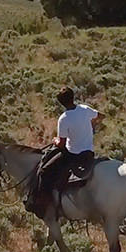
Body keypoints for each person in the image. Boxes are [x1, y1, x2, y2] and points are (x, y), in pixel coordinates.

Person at [30, 87, 99, 216]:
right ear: (73, 97)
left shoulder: (64, 118)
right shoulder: (84, 109)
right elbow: (100, 116)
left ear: (61, 103)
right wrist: (92, 125)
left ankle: (45, 205)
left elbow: (61, 144)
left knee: (44, 171)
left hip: (73, 155)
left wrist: (55, 140)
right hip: (89, 153)